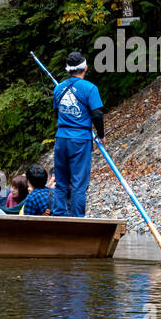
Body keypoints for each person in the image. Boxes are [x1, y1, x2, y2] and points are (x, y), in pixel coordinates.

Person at [52, 51, 104, 217]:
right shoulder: (90, 88)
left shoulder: (58, 89)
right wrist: (101, 135)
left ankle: (59, 214)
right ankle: (77, 218)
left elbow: (57, 112)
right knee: (79, 183)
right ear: (85, 68)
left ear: (67, 70)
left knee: (60, 182)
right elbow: (97, 114)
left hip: (61, 138)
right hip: (80, 140)